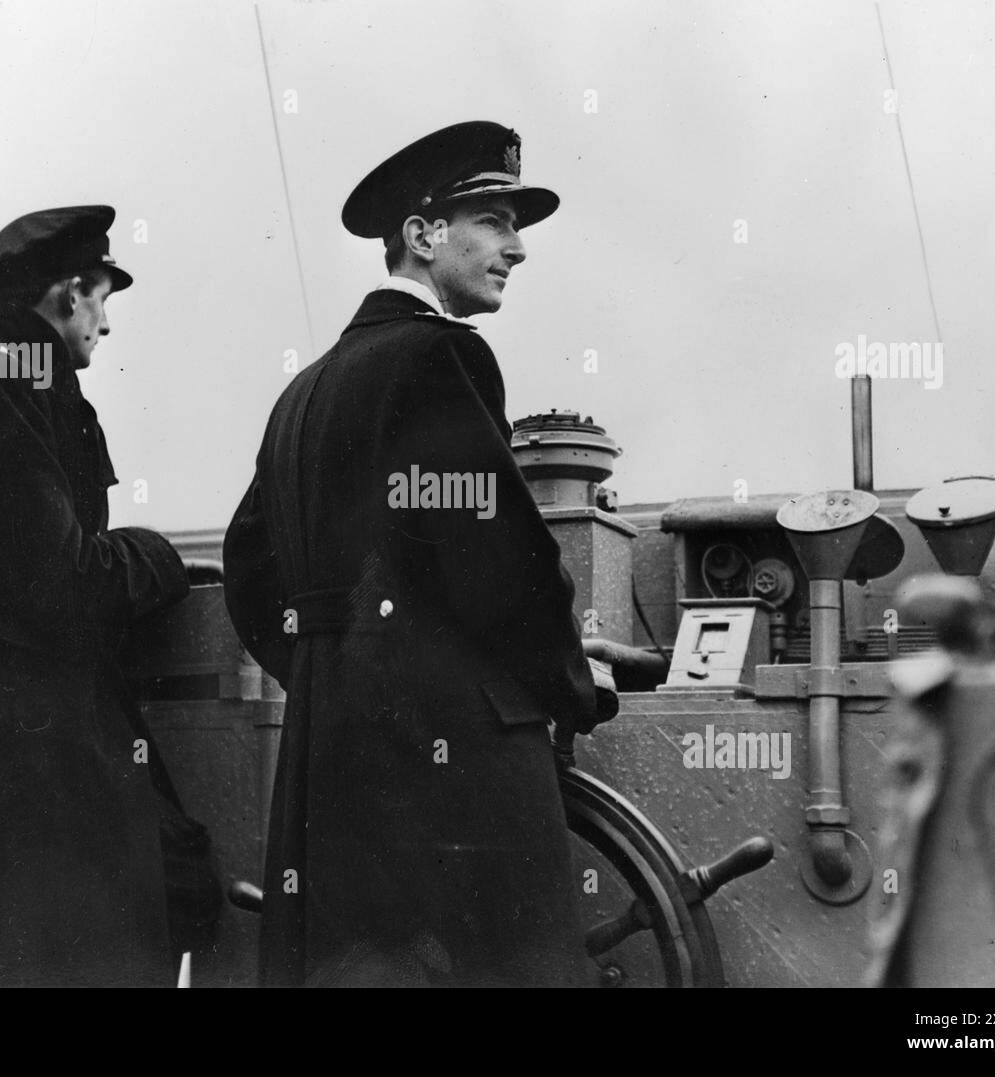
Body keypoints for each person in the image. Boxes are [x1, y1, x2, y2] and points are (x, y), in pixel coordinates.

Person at [222, 122, 602, 986]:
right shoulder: (442, 353)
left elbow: (250, 568)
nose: (517, 248)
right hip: (449, 761)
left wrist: (330, 666)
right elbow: (499, 557)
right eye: (496, 221)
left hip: (330, 754)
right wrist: (574, 683)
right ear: (425, 235)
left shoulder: (305, 390)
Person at [0, 206, 214, 987]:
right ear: (66, 293)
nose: (106, 325)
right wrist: (160, 558)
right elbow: (60, 576)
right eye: (102, 298)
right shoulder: (9, 376)